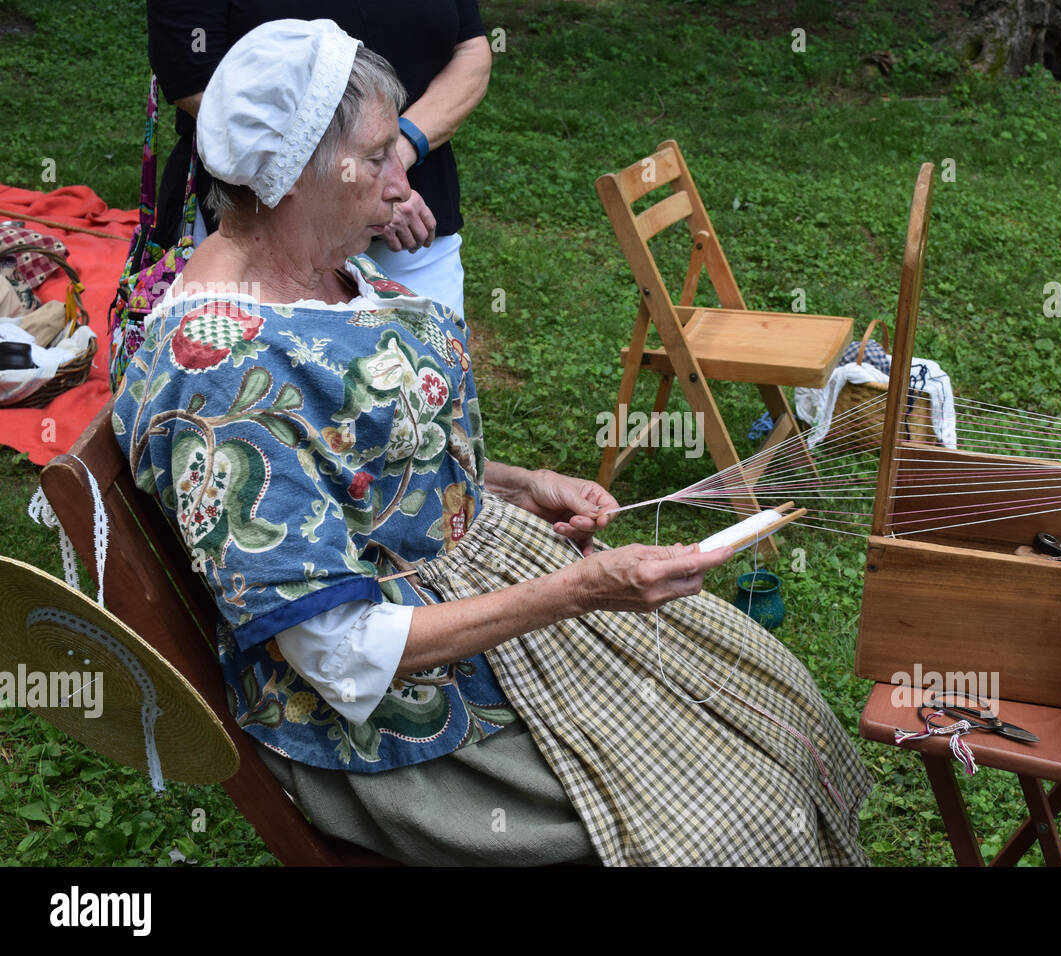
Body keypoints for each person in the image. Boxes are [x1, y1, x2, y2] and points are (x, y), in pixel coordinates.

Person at [114, 19, 871, 866]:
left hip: (479, 589)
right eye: (379, 152)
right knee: (736, 816)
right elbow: (340, 653)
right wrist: (582, 589)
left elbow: (361, 461)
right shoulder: (219, 375)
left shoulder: (316, 265)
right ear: (297, 177)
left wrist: (514, 482)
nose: (408, 164)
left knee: (767, 701)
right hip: (397, 728)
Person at [147, 0, 488, 315]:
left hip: (416, 225)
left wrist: (384, 162)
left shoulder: (390, 180)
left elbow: (471, 50)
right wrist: (357, 174)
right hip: (268, 226)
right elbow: (190, 76)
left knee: (428, 362)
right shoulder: (212, 319)